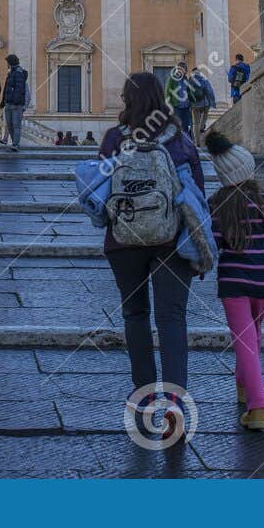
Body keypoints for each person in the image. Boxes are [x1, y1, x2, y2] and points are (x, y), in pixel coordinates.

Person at [97, 72, 206, 444]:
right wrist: (201, 247)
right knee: (172, 319)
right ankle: (176, 405)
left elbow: (97, 195)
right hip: (171, 241)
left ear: (128, 99)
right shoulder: (180, 140)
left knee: (135, 316)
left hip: (124, 241)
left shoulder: (114, 139)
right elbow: (197, 194)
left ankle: (143, 400)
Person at [207, 131, 264, 431]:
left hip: (232, 280)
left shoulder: (215, 203)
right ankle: (243, 388)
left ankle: (257, 407)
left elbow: (215, 244)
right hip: (262, 279)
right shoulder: (260, 198)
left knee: (244, 342)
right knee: (253, 338)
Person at [1, 53, 28, 151]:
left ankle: (16, 144)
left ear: (11, 62)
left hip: (15, 104)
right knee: (10, 125)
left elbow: (19, 89)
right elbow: (6, 89)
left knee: (16, 125)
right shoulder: (11, 73)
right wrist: (3, 101)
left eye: (7, 62)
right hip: (8, 103)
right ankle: (14, 143)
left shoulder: (18, 73)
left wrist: (15, 102)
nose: (7, 64)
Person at [189, 65, 216, 141]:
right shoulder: (204, 80)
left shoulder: (189, 81)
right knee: (205, 114)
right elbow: (210, 91)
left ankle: (197, 142)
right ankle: (201, 127)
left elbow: (187, 93)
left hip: (194, 105)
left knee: (195, 124)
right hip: (204, 103)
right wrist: (212, 102)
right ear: (199, 73)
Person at [166, 62, 194, 136]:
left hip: (186, 107)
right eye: (184, 69)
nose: (185, 71)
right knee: (177, 126)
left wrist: (192, 101)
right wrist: (169, 106)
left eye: (185, 69)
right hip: (177, 107)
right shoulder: (172, 79)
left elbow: (189, 91)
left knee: (186, 126)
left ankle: (186, 140)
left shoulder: (186, 79)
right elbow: (167, 93)